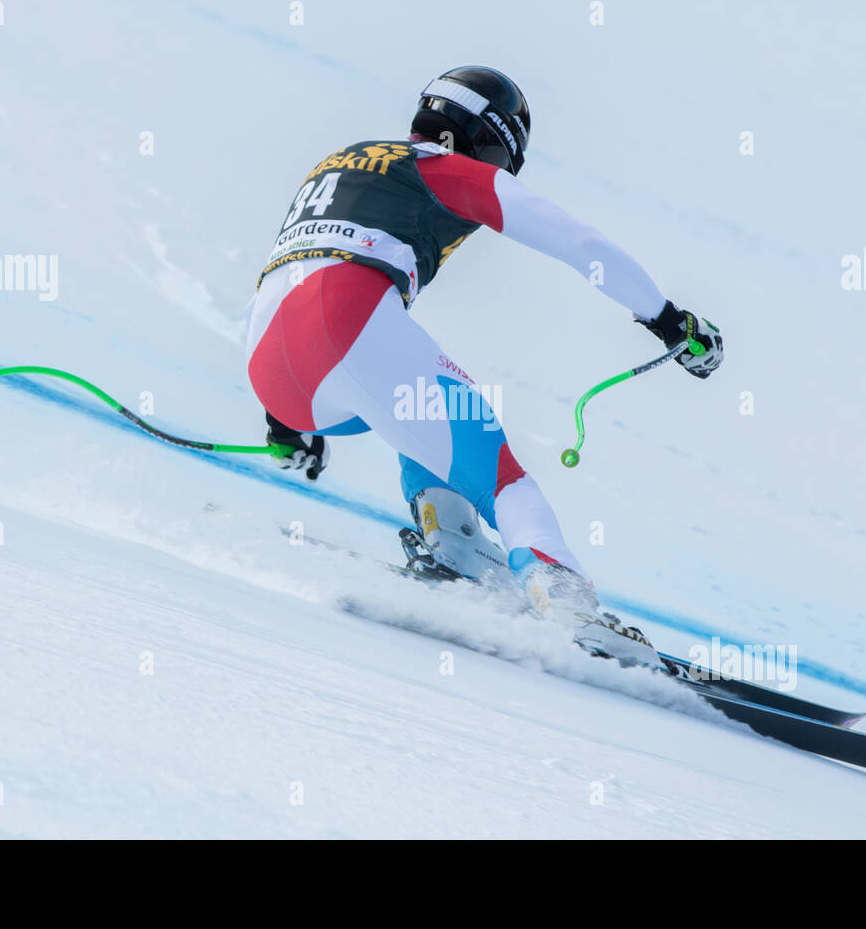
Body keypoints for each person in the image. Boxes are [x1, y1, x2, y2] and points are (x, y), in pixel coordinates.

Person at [245, 66, 721, 652]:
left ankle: (454, 545)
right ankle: (567, 603)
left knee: (419, 420)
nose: (493, 175)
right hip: (345, 325)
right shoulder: (443, 168)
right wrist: (670, 319)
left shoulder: (345, 157)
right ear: (482, 141)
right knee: (504, 480)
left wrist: (286, 422)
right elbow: (581, 244)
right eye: (498, 160)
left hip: (271, 362)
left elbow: (297, 274)